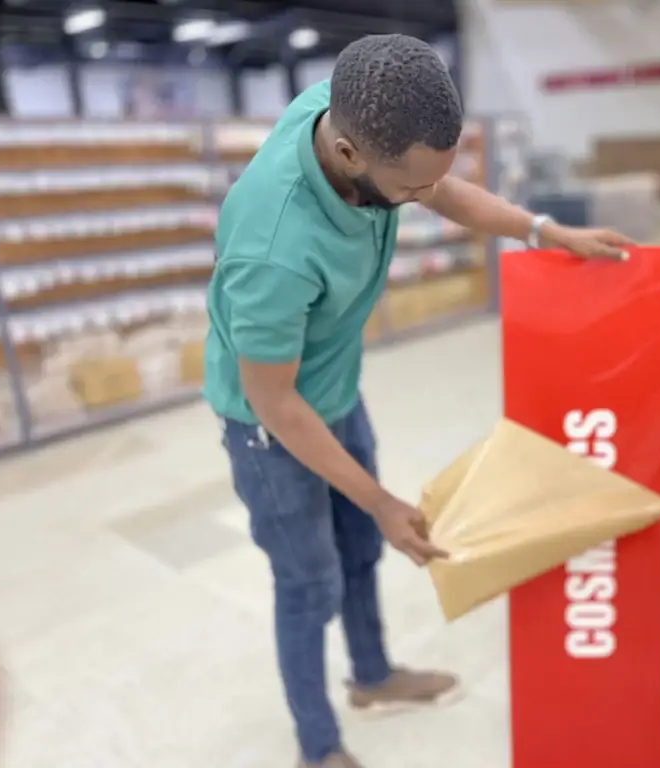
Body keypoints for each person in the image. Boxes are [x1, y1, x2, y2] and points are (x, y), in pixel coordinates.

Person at [203, 34, 633, 768]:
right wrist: (378, 497)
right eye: (408, 189)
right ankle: (317, 745)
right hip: (272, 432)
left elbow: (441, 187)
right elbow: (275, 404)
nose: (423, 199)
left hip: (333, 388)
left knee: (363, 553)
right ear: (347, 156)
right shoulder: (272, 247)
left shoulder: (352, 116)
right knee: (309, 583)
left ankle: (373, 677)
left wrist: (542, 231)